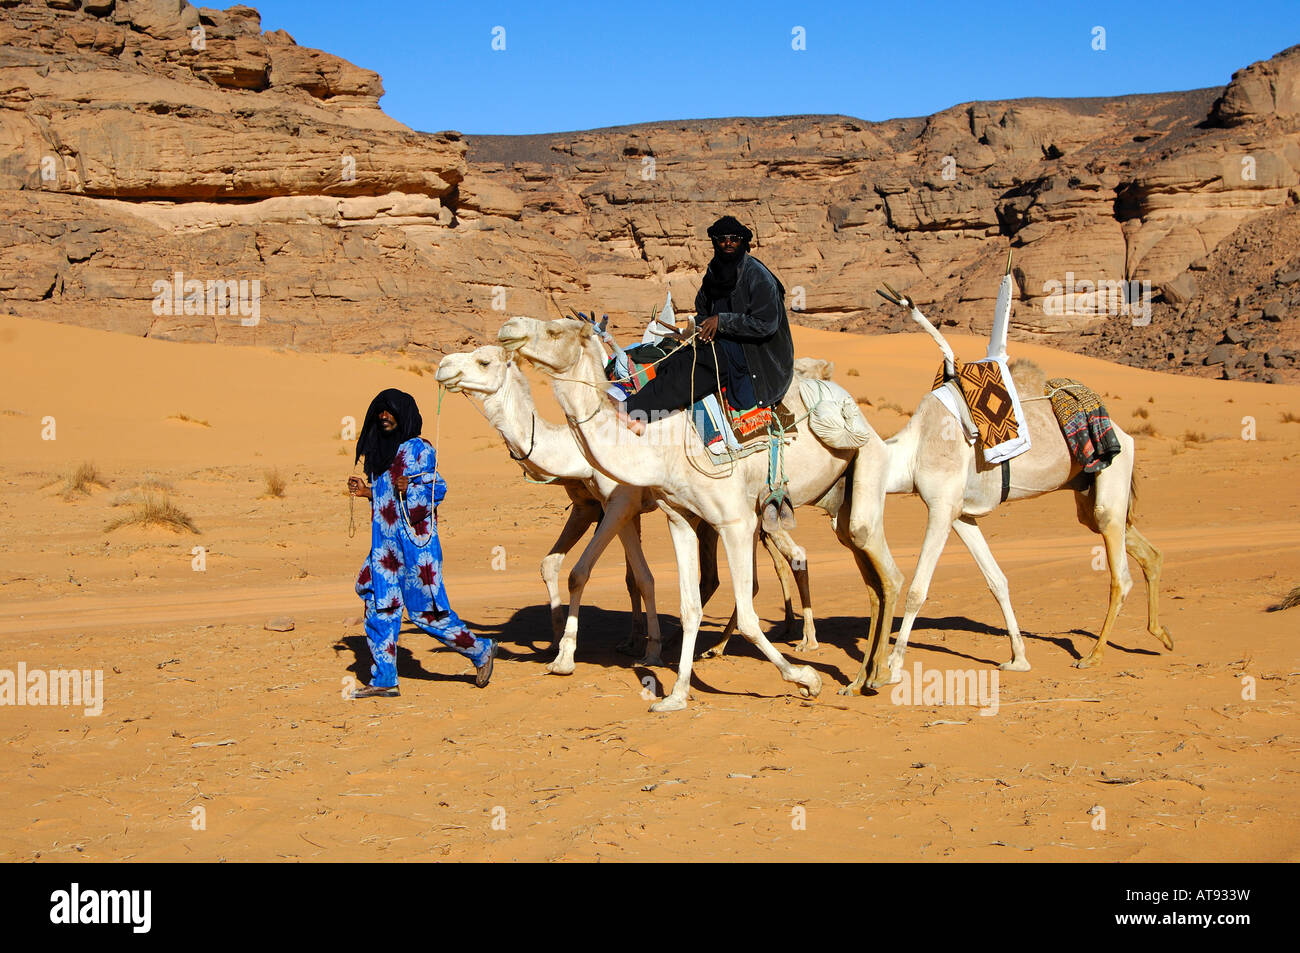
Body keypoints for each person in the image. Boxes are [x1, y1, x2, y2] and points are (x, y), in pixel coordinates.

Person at [616, 215, 796, 527]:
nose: (728, 243)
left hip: (760, 358)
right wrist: (697, 325)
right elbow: (705, 308)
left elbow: (766, 324)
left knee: (697, 366)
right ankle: (641, 408)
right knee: (674, 358)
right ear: (715, 242)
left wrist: (722, 322)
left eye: (734, 238)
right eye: (722, 238)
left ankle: (636, 411)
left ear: (743, 242)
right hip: (728, 342)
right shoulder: (716, 272)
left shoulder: (758, 276)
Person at [347, 388, 496, 698]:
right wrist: (366, 492)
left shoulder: (419, 450)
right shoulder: (380, 454)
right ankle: (385, 678)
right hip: (384, 548)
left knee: (426, 614)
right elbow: (388, 498)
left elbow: (437, 489)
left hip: (417, 548)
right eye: (380, 411)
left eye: (390, 411)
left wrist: (412, 484)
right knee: (377, 601)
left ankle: (480, 649)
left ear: (405, 415)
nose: (384, 416)